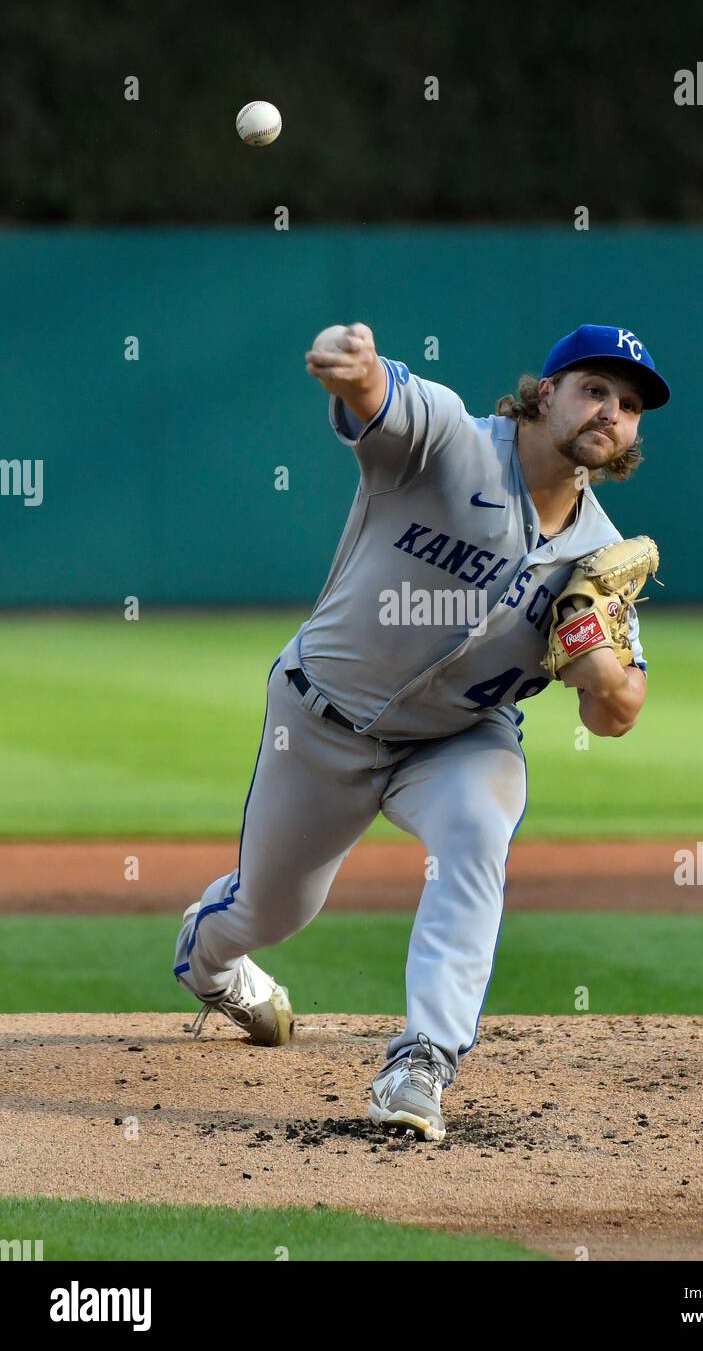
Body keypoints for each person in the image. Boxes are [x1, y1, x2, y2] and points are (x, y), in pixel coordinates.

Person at [173, 321, 670, 1141]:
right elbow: (380, 398)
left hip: (458, 740)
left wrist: (603, 674)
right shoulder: (449, 444)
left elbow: (617, 714)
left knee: (480, 824)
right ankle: (209, 955)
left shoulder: (601, 560)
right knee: (273, 910)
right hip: (320, 718)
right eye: (593, 388)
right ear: (545, 394)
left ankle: (422, 1061)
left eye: (628, 405)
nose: (609, 410)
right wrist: (356, 368)